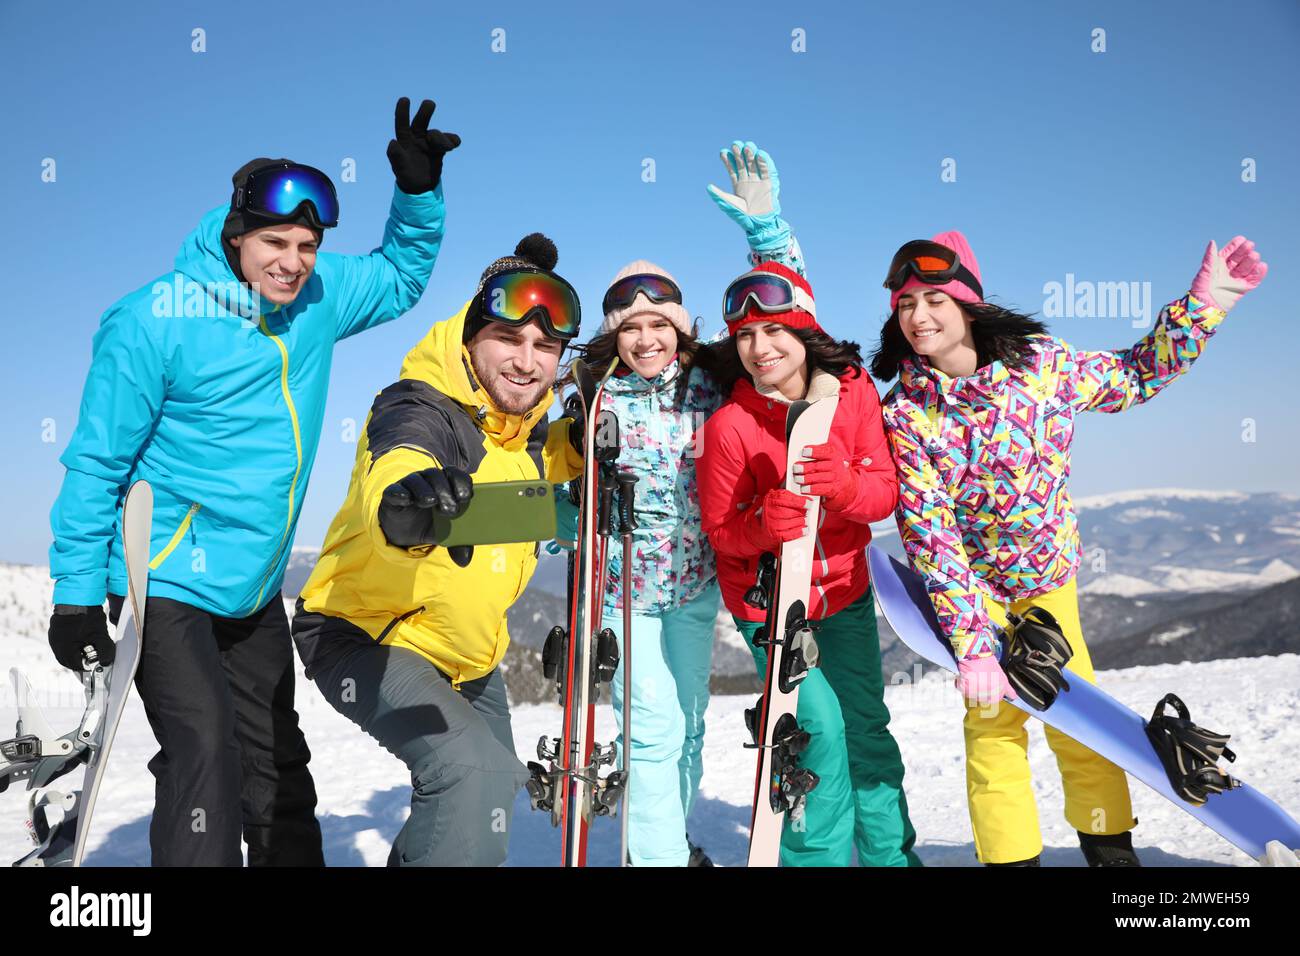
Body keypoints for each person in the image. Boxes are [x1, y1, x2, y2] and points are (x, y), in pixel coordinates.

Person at [46, 97, 460, 866]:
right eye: (276, 241)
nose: (293, 261)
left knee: (277, 759)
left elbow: (401, 277)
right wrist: (75, 592)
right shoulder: (152, 319)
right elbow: (98, 459)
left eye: (307, 244)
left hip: (255, 584)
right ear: (236, 235)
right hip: (165, 576)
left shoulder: (316, 299)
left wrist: (417, 192)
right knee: (204, 756)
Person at [872, 230, 1268, 866]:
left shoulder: (1042, 366)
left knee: (1085, 726)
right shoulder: (907, 413)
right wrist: (973, 647)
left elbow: (1135, 377)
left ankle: (1112, 857)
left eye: (933, 299)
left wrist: (1205, 304)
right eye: (905, 304)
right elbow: (930, 530)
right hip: (977, 596)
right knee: (994, 731)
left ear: (967, 302)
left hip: (1049, 585)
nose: (918, 316)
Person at [290, 233, 585, 867]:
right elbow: (398, 459)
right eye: (508, 339)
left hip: (469, 658)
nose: (527, 361)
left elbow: (557, 452)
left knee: (494, 790)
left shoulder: (528, 433)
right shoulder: (420, 407)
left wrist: (597, 434)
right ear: (469, 338)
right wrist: (404, 504)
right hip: (364, 637)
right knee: (471, 777)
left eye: (544, 347)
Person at [697, 178, 923, 865]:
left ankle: (890, 857)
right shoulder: (731, 424)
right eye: (745, 337)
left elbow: (884, 492)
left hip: (843, 593)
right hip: (769, 604)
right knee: (814, 729)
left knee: (866, 729)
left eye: (774, 330)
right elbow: (721, 533)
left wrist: (848, 488)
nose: (761, 348)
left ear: (803, 329)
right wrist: (764, 521)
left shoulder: (850, 392)